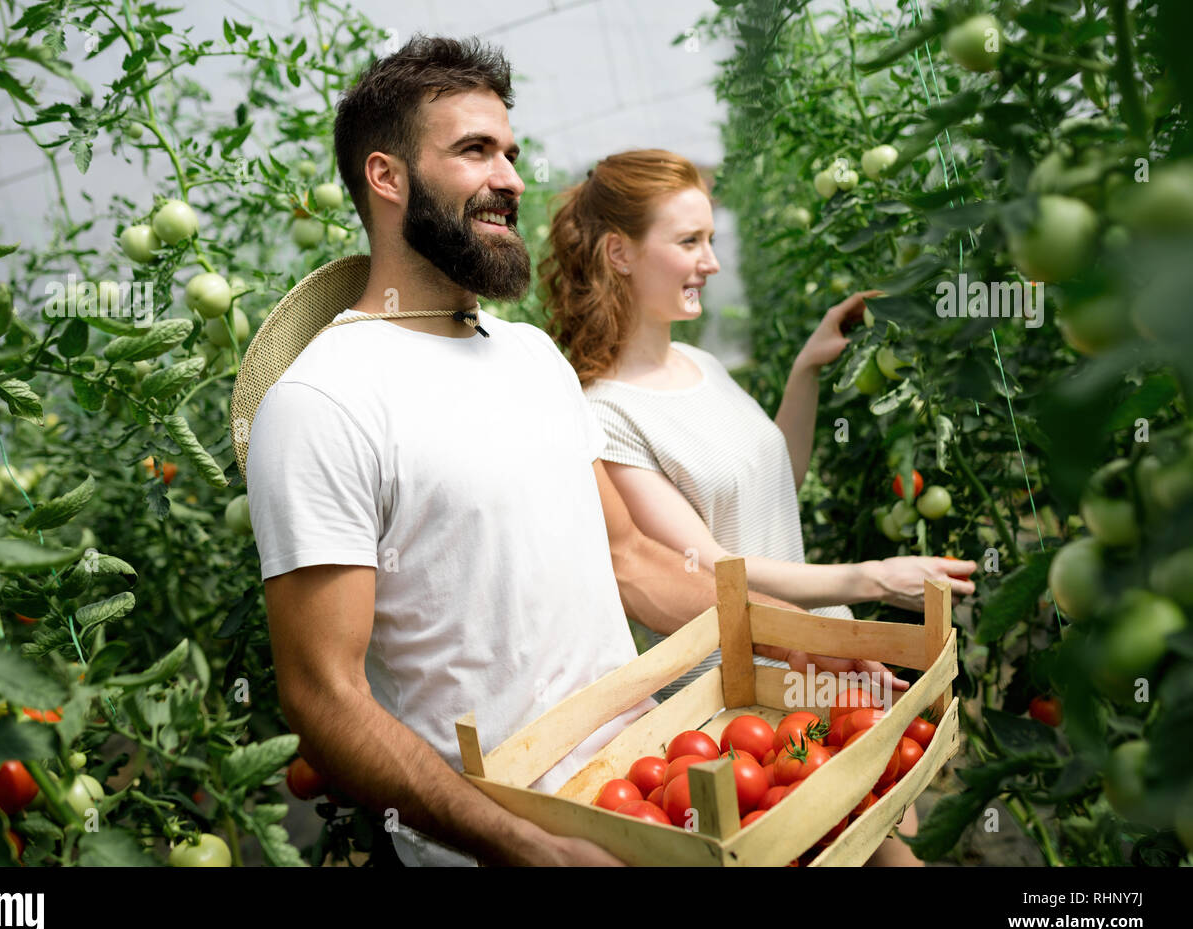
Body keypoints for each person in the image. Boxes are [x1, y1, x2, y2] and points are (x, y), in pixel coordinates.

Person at [246, 38, 904, 868]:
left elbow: (632, 559)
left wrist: (801, 652)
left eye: (511, 153)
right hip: (494, 835)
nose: (513, 178)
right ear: (388, 178)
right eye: (474, 151)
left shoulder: (532, 357)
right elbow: (322, 696)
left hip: (643, 785)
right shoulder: (322, 403)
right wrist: (526, 847)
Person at [539, 149, 977, 865]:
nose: (710, 261)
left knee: (892, 835)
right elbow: (714, 568)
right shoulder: (605, 415)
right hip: (749, 695)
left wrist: (806, 369)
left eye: (710, 240)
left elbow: (778, 478)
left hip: (829, 659)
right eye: (689, 242)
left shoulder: (703, 366)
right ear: (618, 253)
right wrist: (869, 578)